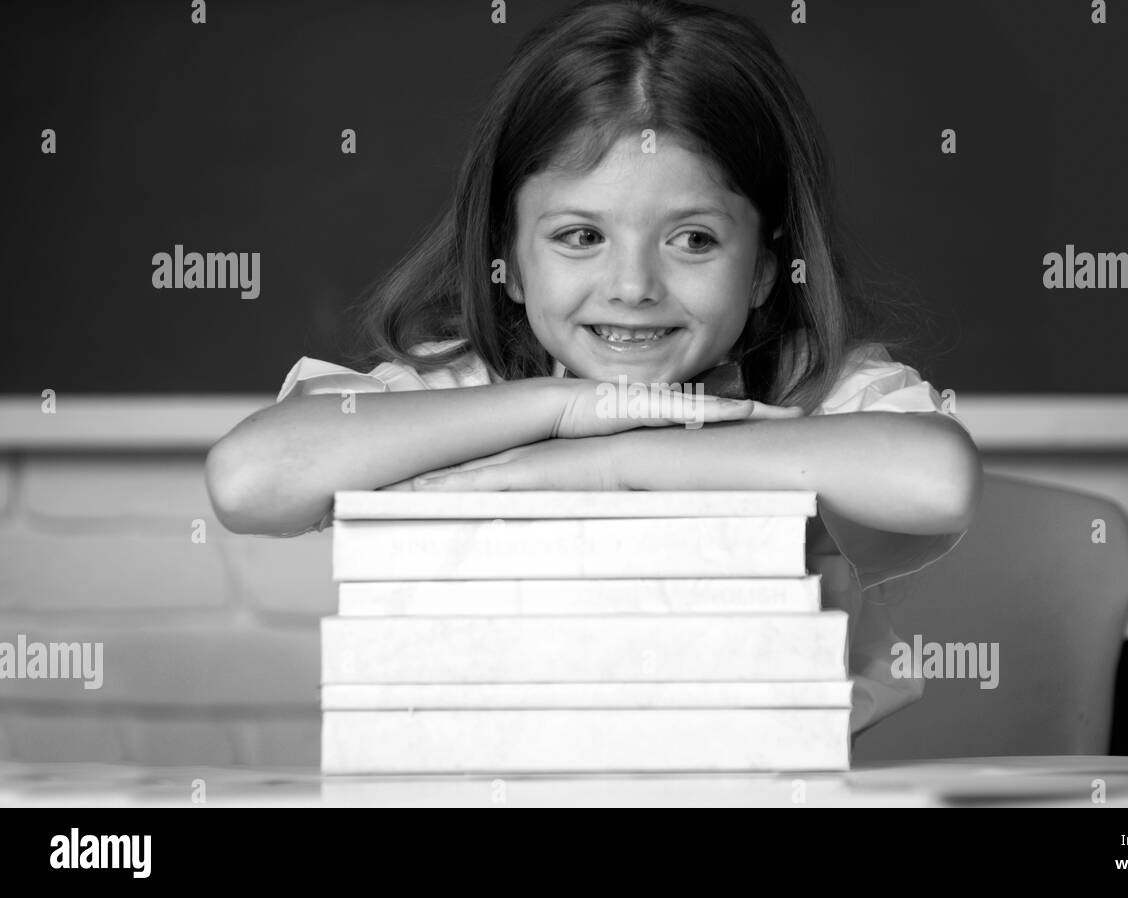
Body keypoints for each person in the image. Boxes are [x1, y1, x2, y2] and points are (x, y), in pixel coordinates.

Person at [205, 0, 982, 736]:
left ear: (765, 270)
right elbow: (249, 481)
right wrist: (560, 411)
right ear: (505, 259)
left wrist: (615, 460)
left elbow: (936, 481)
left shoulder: (807, 393)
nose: (634, 286)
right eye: (581, 236)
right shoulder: (461, 395)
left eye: (695, 240)